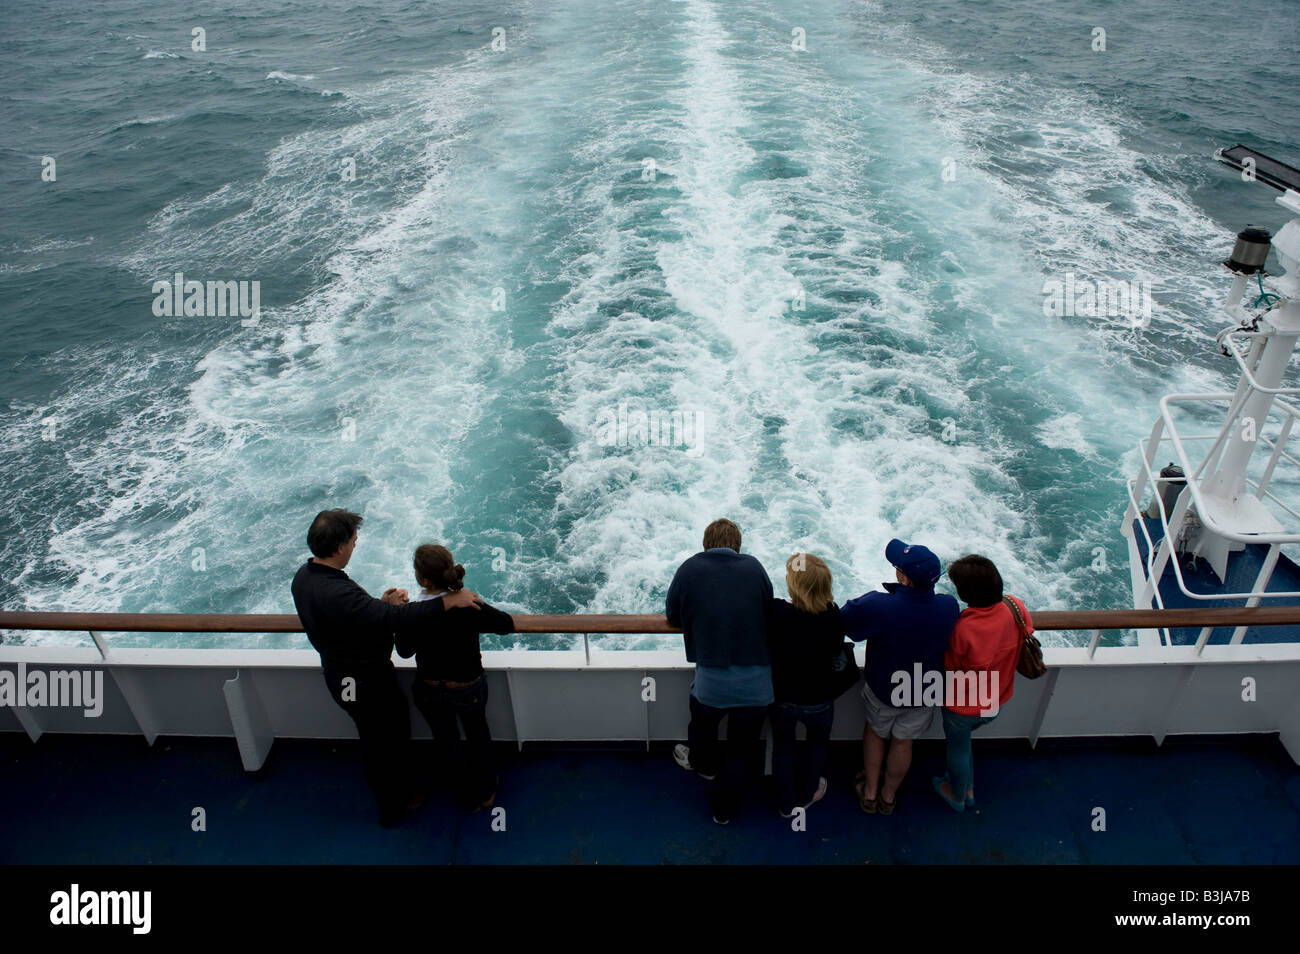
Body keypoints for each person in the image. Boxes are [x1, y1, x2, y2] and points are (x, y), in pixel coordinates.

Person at [290, 509, 481, 827]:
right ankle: (393, 809)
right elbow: (393, 620)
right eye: (352, 540)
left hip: (340, 676)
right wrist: (447, 602)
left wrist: (379, 605)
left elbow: (350, 617)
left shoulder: (305, 577)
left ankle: (398, 796)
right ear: (338, 548)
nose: (354, 545)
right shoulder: (337, 591)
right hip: (367, 683)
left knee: (376, 742)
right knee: (385, 746)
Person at [666, 518, 773, 824]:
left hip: (712, 682)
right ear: (737, 546)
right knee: (741, 750)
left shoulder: (689, 569)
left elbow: (673, 614)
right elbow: (767, 610)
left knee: (702, 721)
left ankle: (704, 764)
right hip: (757, 687)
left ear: (706, 544)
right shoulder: (754, 567)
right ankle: (723, 811)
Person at [841, 538, 959, 814]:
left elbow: (844, 620)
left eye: (898, 569)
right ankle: (889, 796)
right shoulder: (948, 606)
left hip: (885, 689)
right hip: (923, 691)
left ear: (904, 579)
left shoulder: (878, 606)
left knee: (875, 732)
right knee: (904, 741)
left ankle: (870, 792)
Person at [396, 543, 514, 812]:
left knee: (447, 743)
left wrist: (401, 614)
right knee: (478, 735)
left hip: (430, 690)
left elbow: (403, 651)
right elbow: (505, 624)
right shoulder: (468, 606)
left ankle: (468, 799)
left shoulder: (414, 613)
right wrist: (480, 602)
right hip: (467, 688)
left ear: (423, 579)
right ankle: (486, 793)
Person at [933, 554, 1029, 813]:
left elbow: (950, 668)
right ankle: (969, 789)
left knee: (958, 749)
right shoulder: (1016, 607)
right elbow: (1026, 631)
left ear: (965, 594)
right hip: (996, 701)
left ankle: (957, 796)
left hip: (963, 707)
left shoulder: (963, 629)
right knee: (965, 747)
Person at [767, 553, 845, 817]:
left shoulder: (777, 612)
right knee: (817, 746)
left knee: (784, 748)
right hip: (820, 700)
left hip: (783, 698)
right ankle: (808, 792)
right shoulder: (833, 615)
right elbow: (836, 650)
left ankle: (786, 804)